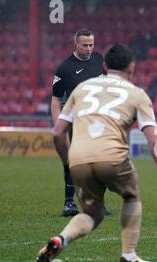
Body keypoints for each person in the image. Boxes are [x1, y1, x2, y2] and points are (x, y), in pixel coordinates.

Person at [37, 44, 157, 262]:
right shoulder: (138, 94)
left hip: (78, 158)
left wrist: (67, 165)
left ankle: (61, 239)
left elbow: (57, 132)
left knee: (91, 214)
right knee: (131, 196)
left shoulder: (83, 88)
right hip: (112, 156)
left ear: (104, 66)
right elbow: (154, 140)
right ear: (132, 69)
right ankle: (128, 255)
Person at [51, 28, 113, 217]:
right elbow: (55, 100)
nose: (88, 48)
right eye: (85, 45)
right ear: (75, 44)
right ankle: (69, 203)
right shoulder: (64, 68)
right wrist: (58, 126)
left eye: (91, 45)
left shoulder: (99, 60)